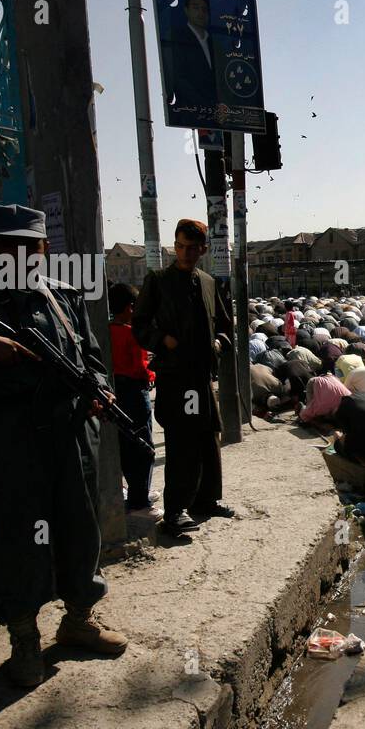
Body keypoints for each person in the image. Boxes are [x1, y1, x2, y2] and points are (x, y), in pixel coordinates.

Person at [0, 204, 126, 687]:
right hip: (13, 435)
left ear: (44, 249)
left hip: (72, 430)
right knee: (22, 536)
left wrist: (101, 390)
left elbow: (92, 357)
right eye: (9, 245)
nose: (21, 254)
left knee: (81, 528)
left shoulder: (62, 296)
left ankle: (78, 619)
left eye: (31, 246)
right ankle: (24, 638)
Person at [132, 219, 236, 537]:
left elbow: (224, 324)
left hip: (201, 377)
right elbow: (139, 325)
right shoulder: (158, 280)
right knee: (182, 442)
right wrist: (163, 340)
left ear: (203, 250)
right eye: (180, 246)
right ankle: (175, 511)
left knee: (207, 437)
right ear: (174, 247)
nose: (186, 253)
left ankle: (205, 501)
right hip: (177, 379)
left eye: (192, 248)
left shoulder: (206, 281)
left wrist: (218, 343)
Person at [108, 283, 160, 518]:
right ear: (130, 308)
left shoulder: (105, 330)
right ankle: (140, 502)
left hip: (114, 391)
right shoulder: (133, 333)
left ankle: (135, 492)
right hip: (135, 392)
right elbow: (141, 368)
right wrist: (153, 374)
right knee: (143, 446)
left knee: (125, 444)